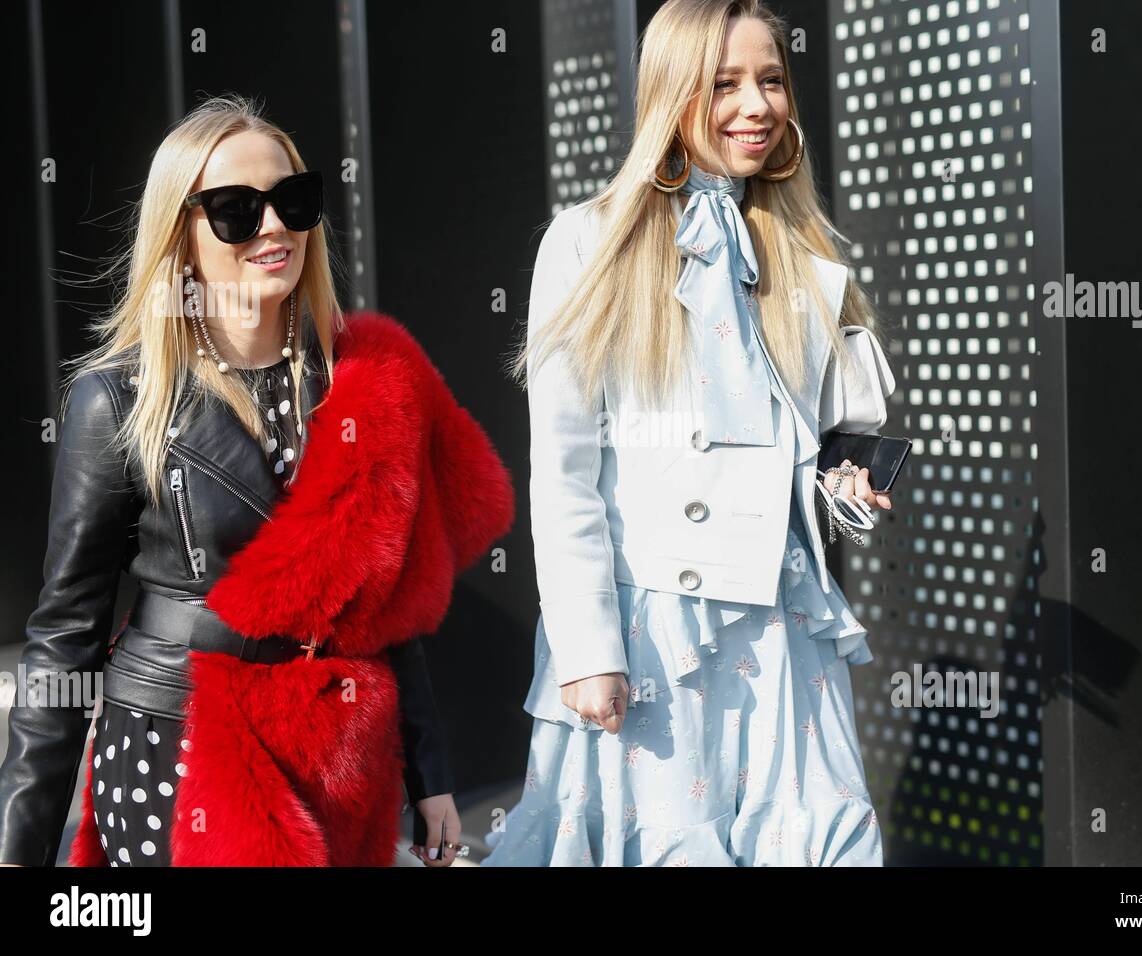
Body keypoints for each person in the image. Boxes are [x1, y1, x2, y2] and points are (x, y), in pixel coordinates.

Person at [0, 94, 514, 867]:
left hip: (340, 755)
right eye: (237, 210)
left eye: (292, 201)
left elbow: (381, 603)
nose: (273, 227)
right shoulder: (120, 400)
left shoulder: (361, 379)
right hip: (182, 746)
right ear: (181, 237)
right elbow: (64, 635)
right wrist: (18, 847)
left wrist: (429, 773)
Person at [481, 0, 897, 867]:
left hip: (782, 625)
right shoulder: (590, 242)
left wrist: (838, 489)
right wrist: (589, 649)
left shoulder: (798, 251)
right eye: (725, 84)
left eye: (772, 80)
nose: (757, 105)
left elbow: (801, 448)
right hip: (654, 633)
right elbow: (564, 475)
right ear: (672, 91)